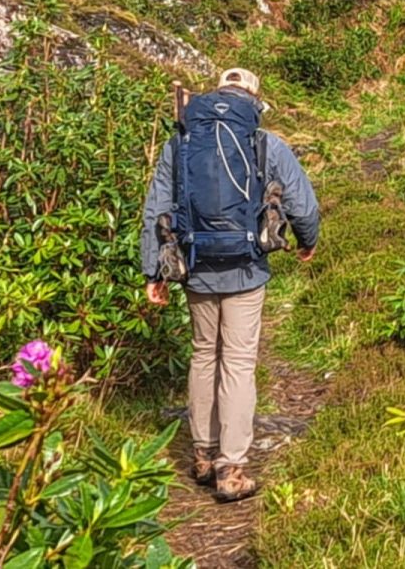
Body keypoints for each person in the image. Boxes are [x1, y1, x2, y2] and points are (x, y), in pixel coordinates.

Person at [141, 67, 320, 503]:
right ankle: (231, 467)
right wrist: (307, 241)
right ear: (253, 103)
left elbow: (156, 207)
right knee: (238, 361)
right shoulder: (264, 143)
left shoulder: (180, 144)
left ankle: (202, 454)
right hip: (246, 267)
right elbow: (302, 201)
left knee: (204, 353)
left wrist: (153, 272)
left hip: (196, 265)